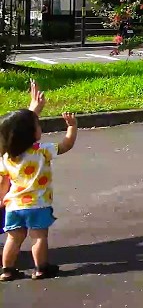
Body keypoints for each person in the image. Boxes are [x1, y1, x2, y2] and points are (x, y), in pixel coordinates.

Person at [1, 81, 77, 281]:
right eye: (37, 125)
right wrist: (72, 128)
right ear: (31, 133)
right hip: (38, 204)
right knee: (39, 236)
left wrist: (2, 200)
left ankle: (7, 270)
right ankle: (41, 268)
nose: (40, 127)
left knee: (13, 238)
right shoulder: (42, 149)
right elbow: (66, 145)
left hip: (13, 205)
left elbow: (3, 181)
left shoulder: (7, 156)